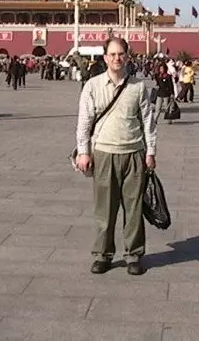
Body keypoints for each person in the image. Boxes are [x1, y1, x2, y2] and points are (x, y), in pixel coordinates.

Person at [75, 37, 156, 276]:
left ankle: (133, 254)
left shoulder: (138, 87)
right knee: (104, 210)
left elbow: (148, 122)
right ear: (105, 58)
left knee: (134, 209)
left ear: (127, 57)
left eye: (121, 54)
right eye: (112, 54)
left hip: (133, 153)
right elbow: (84, 121)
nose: (116, 58)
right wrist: (83, 151)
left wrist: (150, 151)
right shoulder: (93, 85)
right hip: (103, 153)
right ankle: (102, 254)